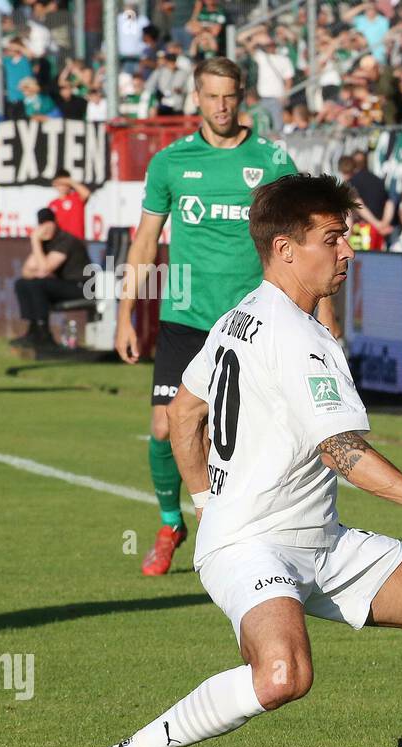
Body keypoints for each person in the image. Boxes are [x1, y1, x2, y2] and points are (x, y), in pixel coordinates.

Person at [35, 175, 402, 747]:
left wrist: (203, 500)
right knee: (282, 675)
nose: (348, 250)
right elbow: (342, 451)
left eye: (345, 234)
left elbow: (183, 415)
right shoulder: (297, 339)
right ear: (286, 250)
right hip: (252, 548)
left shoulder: (241, 316)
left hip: (318, 540)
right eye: (333, 238)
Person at [115, 58, 302, 578]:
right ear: (195, 96)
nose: (221, 106)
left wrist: (320, 310)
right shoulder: (170, 162)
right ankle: (171, 524)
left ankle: (259, 536)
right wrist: (125, 313)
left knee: (249, 435)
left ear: (242, 95)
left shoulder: (270, 159)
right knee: (163, 426)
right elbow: (145, 242)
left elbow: (299, 236)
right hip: (184, 316)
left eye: (230, 96)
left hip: (249, 320)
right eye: (211, 96)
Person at [12, 207, 92, 351]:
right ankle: (34, 329)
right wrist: (39, 244)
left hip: (83, 286)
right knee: (22, 284)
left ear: (55, 223)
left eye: (49, 225)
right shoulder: (46, 243)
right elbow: (26, 271)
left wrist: (35, 241)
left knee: (38, 285)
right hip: (66, 284)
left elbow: (45, 269)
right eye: (43, 226)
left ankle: (44, 334)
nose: (46, 229)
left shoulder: (65, 240)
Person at [49, 168, 90, 239]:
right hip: (61, 241)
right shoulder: (52, 204)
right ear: (55, 185)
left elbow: (86, 193)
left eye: (65, 184)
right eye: (60, 184)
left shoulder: (76, 198)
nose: (63, 187)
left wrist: (69, 181)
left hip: (77, 240)